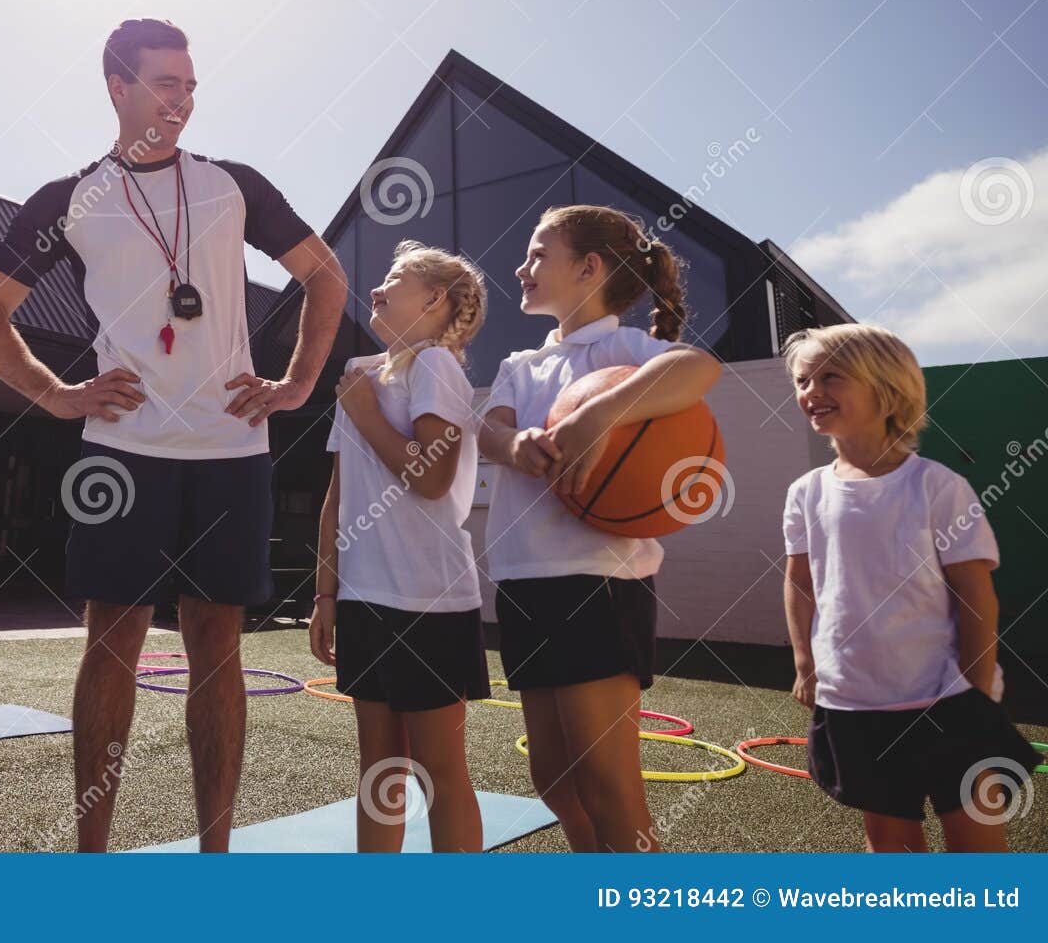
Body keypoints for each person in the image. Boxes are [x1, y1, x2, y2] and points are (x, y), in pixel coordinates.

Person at [0, 18, 346, 851]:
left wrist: (298, 383)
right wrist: (57, 394)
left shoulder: (235, 185)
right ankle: (90, 857)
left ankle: (216, 855)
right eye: (167, 82)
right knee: (112, 640)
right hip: (124, 450)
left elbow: (326, 277)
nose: (183, 98)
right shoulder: (66, 201)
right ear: (118, 87)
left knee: (217, 644)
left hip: (231, 447)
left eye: (191, 84)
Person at [476, 205, 721, 852]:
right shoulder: (521, 363)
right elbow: (487, 431)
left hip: (598, 583)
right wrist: (514, 444)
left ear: (589, 267)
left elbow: (699, 369)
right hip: (523, 581)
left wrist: (598, 414)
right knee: (555, 779)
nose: (521, 267)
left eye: (538, 253)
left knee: (608, 783)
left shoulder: (624, 352)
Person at [782, 322, 1042, 851]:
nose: (812, 391)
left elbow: (975, 594)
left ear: (887, 390)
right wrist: (805, 665)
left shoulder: (937, 486)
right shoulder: (806, 492)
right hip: (854, 702)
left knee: (976, 843)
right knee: (890, 845)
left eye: (831, 377)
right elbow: (800, 582)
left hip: (948, 697)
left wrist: (975, 684)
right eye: (803, 380)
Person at [309, 240, 490, 851]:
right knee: (379, 770)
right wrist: (326, 594)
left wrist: (365, 414)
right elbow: (336, 498)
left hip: (428, 601)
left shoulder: (435, 365)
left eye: (394, 279)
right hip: (364, 599)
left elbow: (431, 476)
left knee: (439, 772)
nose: (377, 288)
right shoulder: (361, 373)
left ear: (434, 298)